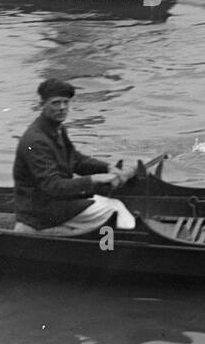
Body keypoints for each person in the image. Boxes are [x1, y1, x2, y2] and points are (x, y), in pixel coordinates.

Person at [13, 79, 136, 235]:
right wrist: (94, 179)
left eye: (66, 102)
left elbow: (75, 160)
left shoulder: (57, 129)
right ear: (42, 105)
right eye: (56, 103)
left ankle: (69, 231)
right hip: (40, 209)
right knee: (114, 208)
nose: (62, 108)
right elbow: (53, 186)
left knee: (110, 204)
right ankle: (48, 231)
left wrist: (108, 168)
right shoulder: (35, 140)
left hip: (54, 202)